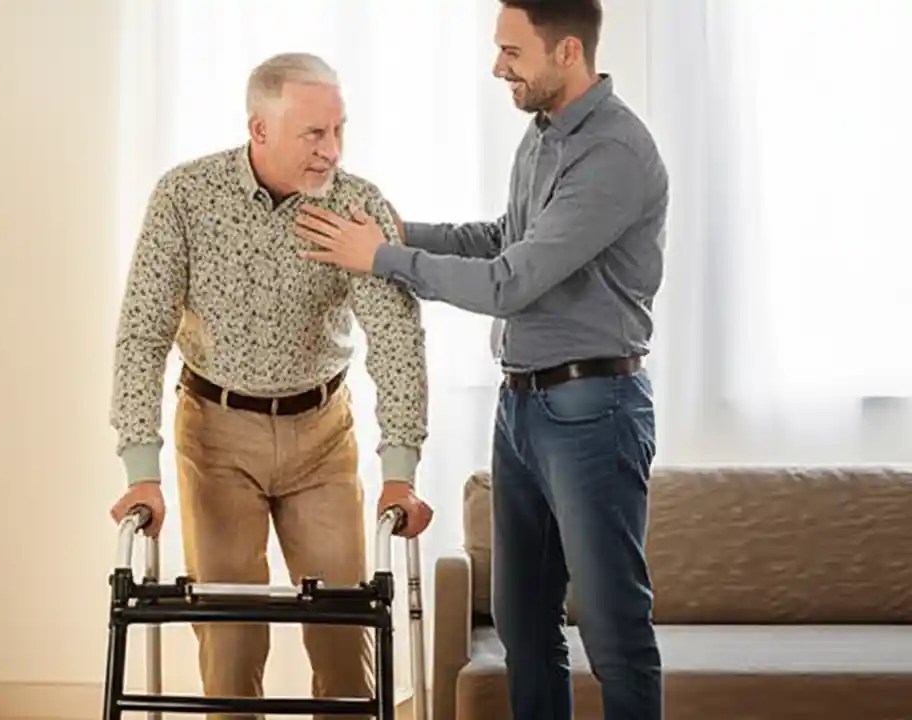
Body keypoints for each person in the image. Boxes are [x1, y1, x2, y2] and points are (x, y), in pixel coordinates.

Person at [293, 2, 668, 719]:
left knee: (614, 630)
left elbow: (512, 281)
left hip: (593, 412)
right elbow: (504, 237)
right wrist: (401, 232)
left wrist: (383, 259)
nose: (498, 66)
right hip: (524, 407)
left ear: (566, 52)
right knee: (524, 627)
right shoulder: (544, 136)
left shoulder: (615, 153)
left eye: (511, 51)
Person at [107, 52, 435, 717]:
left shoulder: (355, 202)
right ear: (259, 128)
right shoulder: (186, 197)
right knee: (230, 643)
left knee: (346, 635)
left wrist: (400, 468)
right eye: (314, 135)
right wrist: (142, 467)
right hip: (216, 435)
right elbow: (143, 331)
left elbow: (396, 335)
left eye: (339, 131)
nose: (331, 151)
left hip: (322, 434)